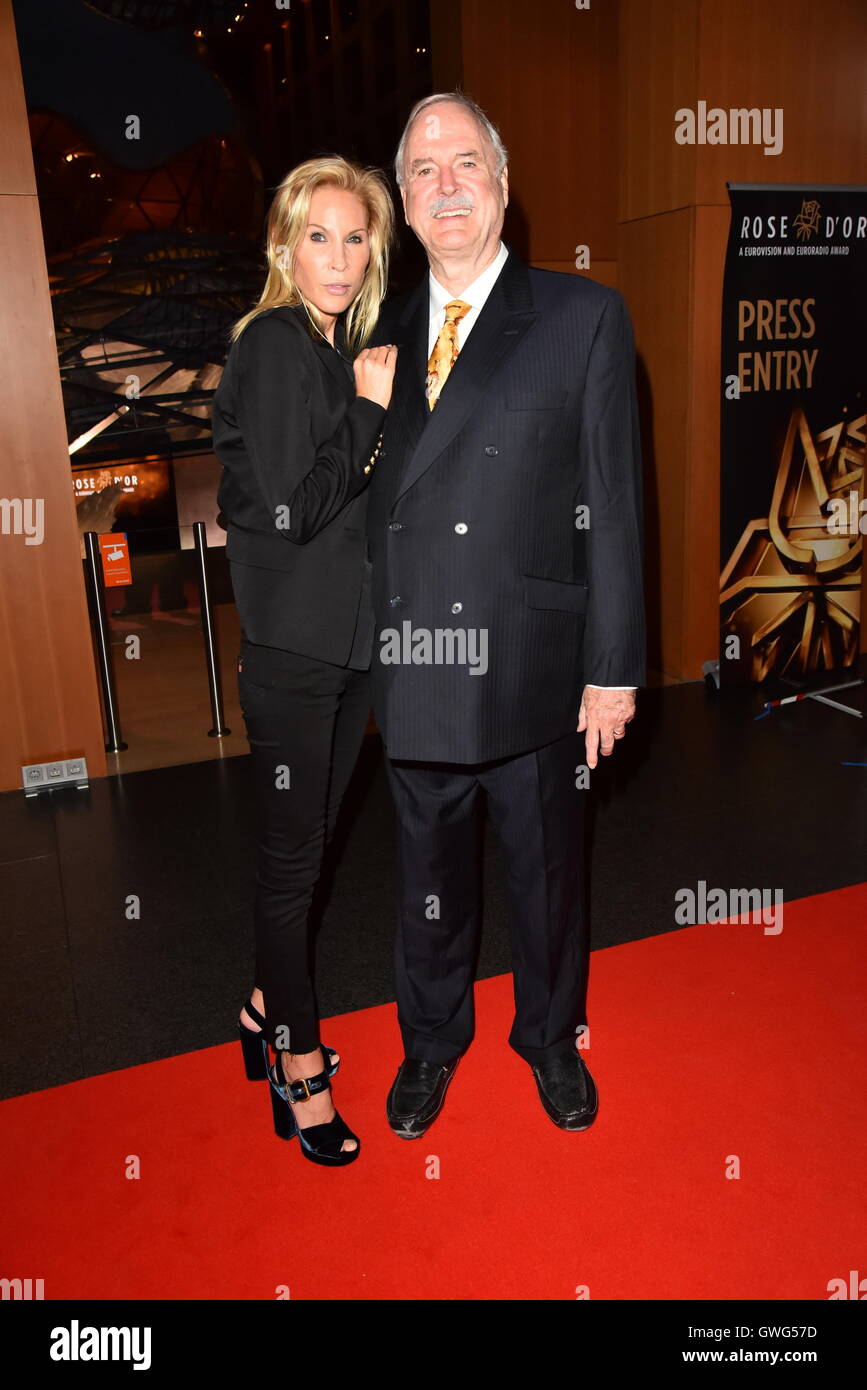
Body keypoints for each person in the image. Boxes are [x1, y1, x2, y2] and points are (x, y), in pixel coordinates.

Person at [366, 93, 645, 1137]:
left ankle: (549, 1037)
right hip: (416, 666)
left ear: (503, 185)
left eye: (466, 163)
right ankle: (431, 1043)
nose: (446, 185)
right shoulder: (376, 338)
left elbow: (614, 507)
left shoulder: (581, 318)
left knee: (547, 879)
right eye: (424, 169)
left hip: (535, 667)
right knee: (426, 886)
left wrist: (613, 668)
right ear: (402, 198)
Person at [211, 156, 397, 1166]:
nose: (338, 255)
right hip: (294, 655)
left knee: (309, 856)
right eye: (318, 235)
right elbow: (293, 504)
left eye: (355, 236)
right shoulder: (277, 345)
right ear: (285, 246)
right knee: (292, 871)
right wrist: (369, 411)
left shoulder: (335, 350)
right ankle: (297, 1064)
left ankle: (256, 1007)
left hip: (343, 645)